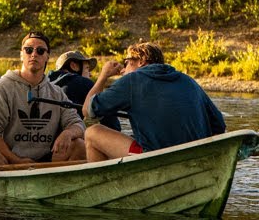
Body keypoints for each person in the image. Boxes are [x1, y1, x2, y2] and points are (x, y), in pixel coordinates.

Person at [82, 42, 225, 161]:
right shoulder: (187, 80)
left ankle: (104, 185)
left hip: (153, 158)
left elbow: (88, 110)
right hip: (195, 156)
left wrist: (103, 76)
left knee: (93, 133)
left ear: (141, 61)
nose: (123, 70)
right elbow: (219, 125)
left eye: (127, 63)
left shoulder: (132, 81)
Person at [0, 32, 86, 166]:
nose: (34, 54)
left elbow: (78, 124)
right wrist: (16, 160)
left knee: (79, 146)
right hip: (10, 159)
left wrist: (68, 133)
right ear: (21, 54)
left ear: (47, 57)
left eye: (40, 51)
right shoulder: (1, 88)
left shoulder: (57, 92)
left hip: (47, 160)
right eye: (28, 50)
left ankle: (58, 179)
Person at [48, 50, 120, 131]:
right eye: (87, 68)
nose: (90, 74)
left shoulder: (47, 83)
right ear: (73, 66)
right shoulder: (82, 82)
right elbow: (111, 121)